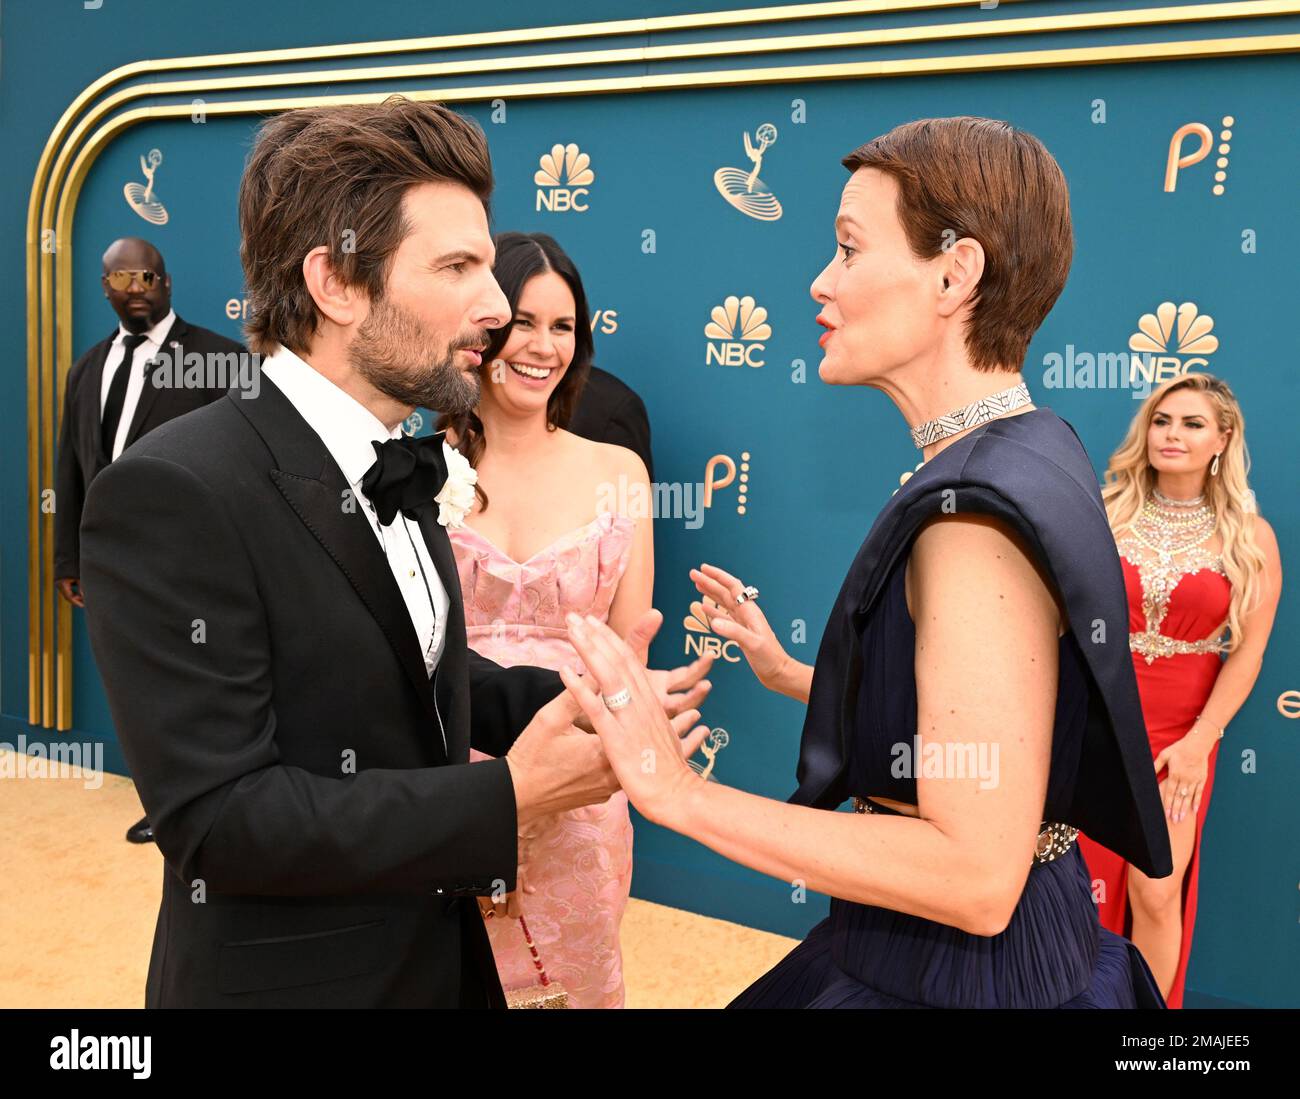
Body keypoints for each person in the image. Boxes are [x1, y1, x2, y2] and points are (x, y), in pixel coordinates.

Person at [77, 96, 709, 1008]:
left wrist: (585, 700)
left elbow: (419, 675)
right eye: (458, 264)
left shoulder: (404, 459)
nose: (496, 307)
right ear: (336, 283)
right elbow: (221, 819)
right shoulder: (173, 491)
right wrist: (510, 798)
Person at [557, 116, 1176, 1008]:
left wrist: (682, 793)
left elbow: (973, 871)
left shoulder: (971, 518)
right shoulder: (1032, 446)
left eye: (849, 249)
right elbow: (986, 737)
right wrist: (796, 675)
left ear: (956, 275)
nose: (820, 281)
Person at [437, 231, 659, 1008]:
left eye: (562, 327)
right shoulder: (415, 467)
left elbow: (626, 654)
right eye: (523, 322)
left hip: (579, 787)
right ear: (482, 324)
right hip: (443, 785)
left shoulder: (618, 472)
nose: (542, 346)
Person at [1078, 373, 1281, 1008]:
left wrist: (1202, 740)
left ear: (1223, 439)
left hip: (1182, 735)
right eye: (1163, 421)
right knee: (1077, 881)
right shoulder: (1105, 513)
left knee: (1156, 889)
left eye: (1193, 424)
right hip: (1098, 719)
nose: (1173, 435)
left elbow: (1246, 657)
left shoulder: (1251, 538)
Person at [54, 236, 244, 845]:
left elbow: (246, 468)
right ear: (104, 288)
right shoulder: (87, 368)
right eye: (120, 279)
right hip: (110, 566)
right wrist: (68, 555)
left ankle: (209, 800)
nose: (135, 289)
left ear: (167, 282)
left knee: (199, 685)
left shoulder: (221, 359)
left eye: (147, 277)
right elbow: (70, 468)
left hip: (194, 566)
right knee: (136, 688)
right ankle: (163, 800)